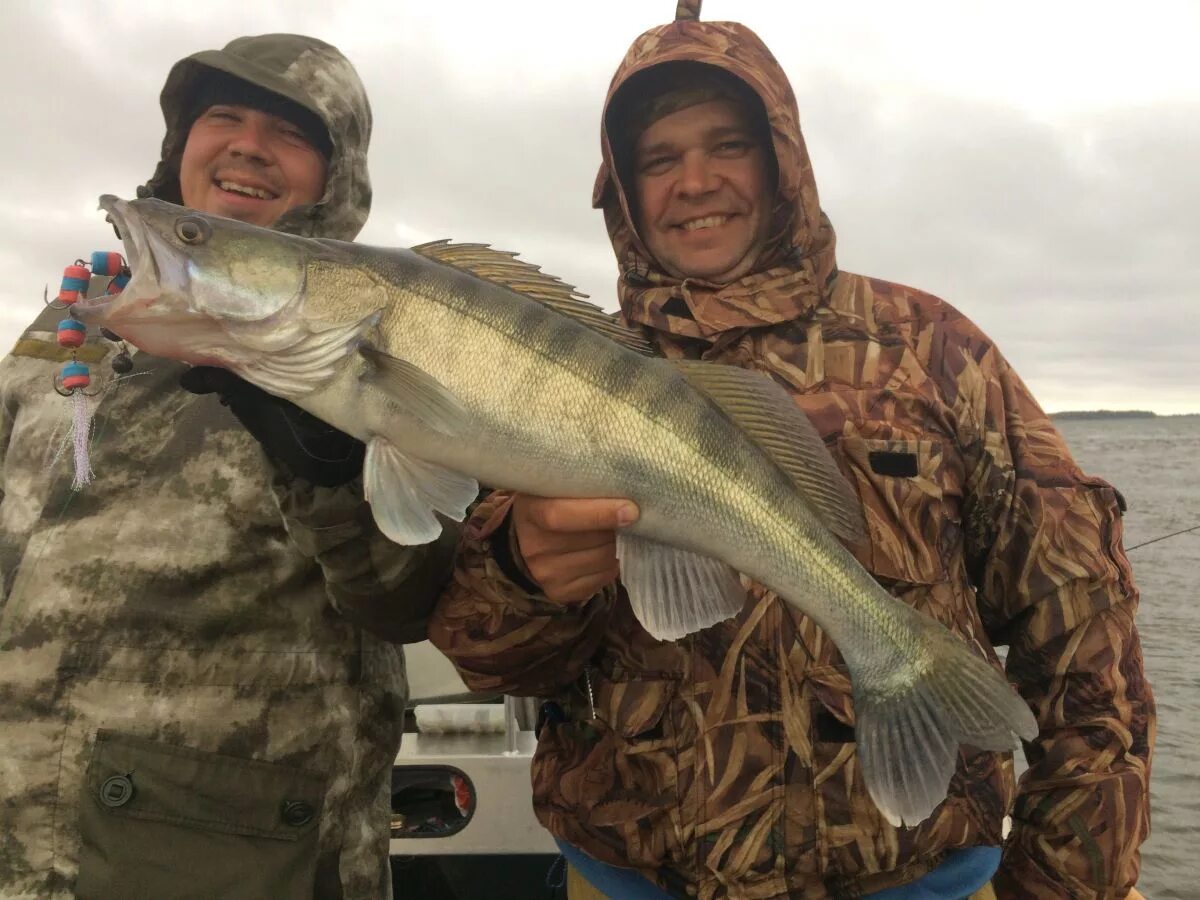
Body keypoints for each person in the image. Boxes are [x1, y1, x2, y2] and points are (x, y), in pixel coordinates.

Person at [429, 6, 1154, 899]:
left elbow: (1082, 635)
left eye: (726, 145)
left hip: (915, 879)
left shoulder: (934, 351)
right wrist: (522, 575)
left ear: (783, 160)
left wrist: (1064, 883)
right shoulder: (559, 369)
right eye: (658, 160)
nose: (694, 182)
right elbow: (485, 657)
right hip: (635, 880)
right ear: (622, 190)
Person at [0, 34, 458, 899]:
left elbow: (408, 595)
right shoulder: (68, 324)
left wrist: (331, 470)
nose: (248, 142)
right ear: (182, 149)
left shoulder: (381, 351)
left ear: (337, 181)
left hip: (226, 858)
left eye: (290, 132)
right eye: (223, 116)